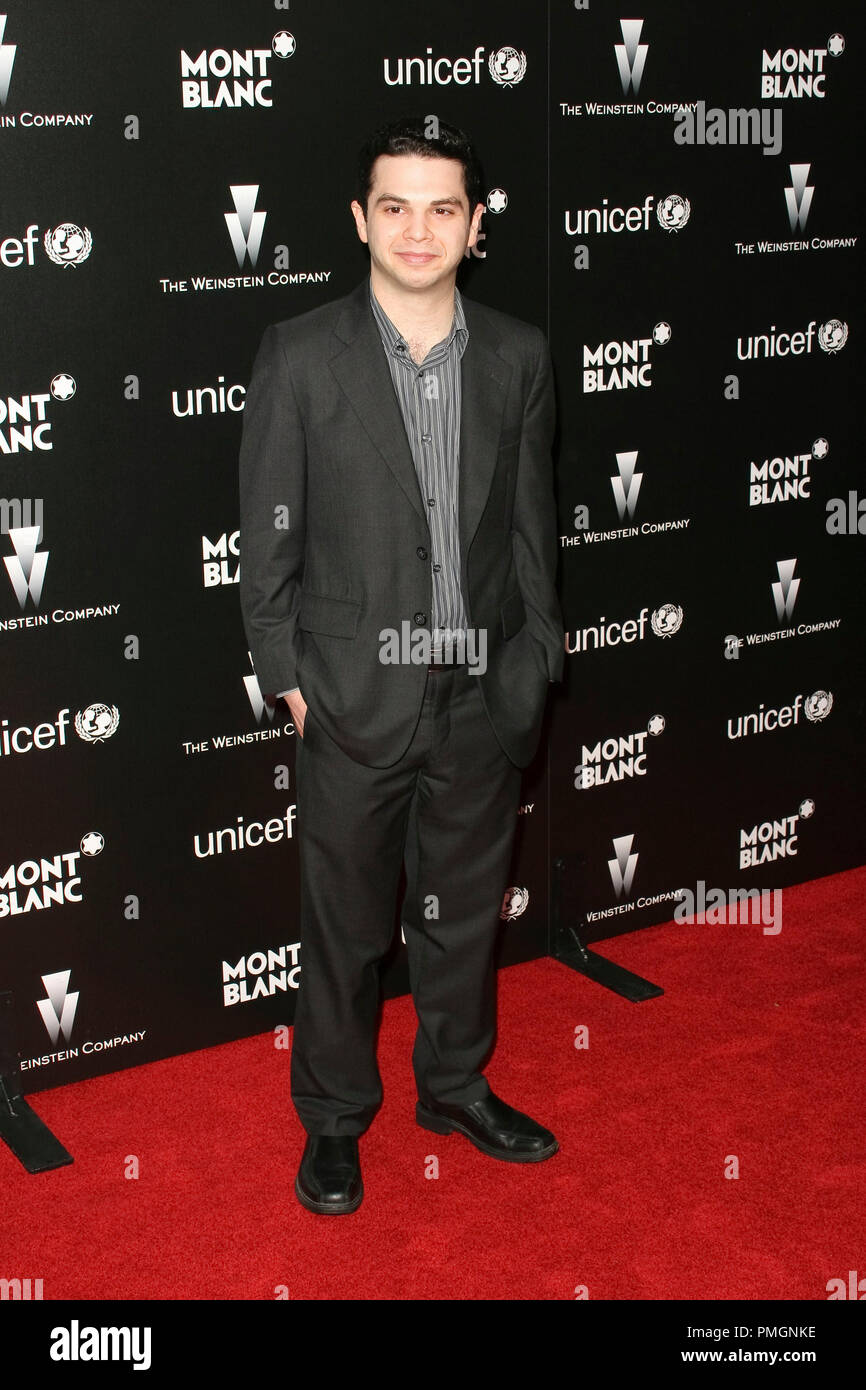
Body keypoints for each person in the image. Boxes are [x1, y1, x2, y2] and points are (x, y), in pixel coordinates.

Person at [239, 115, 564, 1215]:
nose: (415, 228)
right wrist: (285, 670)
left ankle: (454, 1086)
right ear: (358, 220)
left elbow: (531, 529)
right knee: (342, 927)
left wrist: (533, 663)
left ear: (475, 227)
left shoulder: (518, 353)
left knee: (464, 914)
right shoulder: (298, 352)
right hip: (350, 695)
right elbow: (265, 537)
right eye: (393, 205)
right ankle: (333, 1120)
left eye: (440, 208)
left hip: (481, 692)